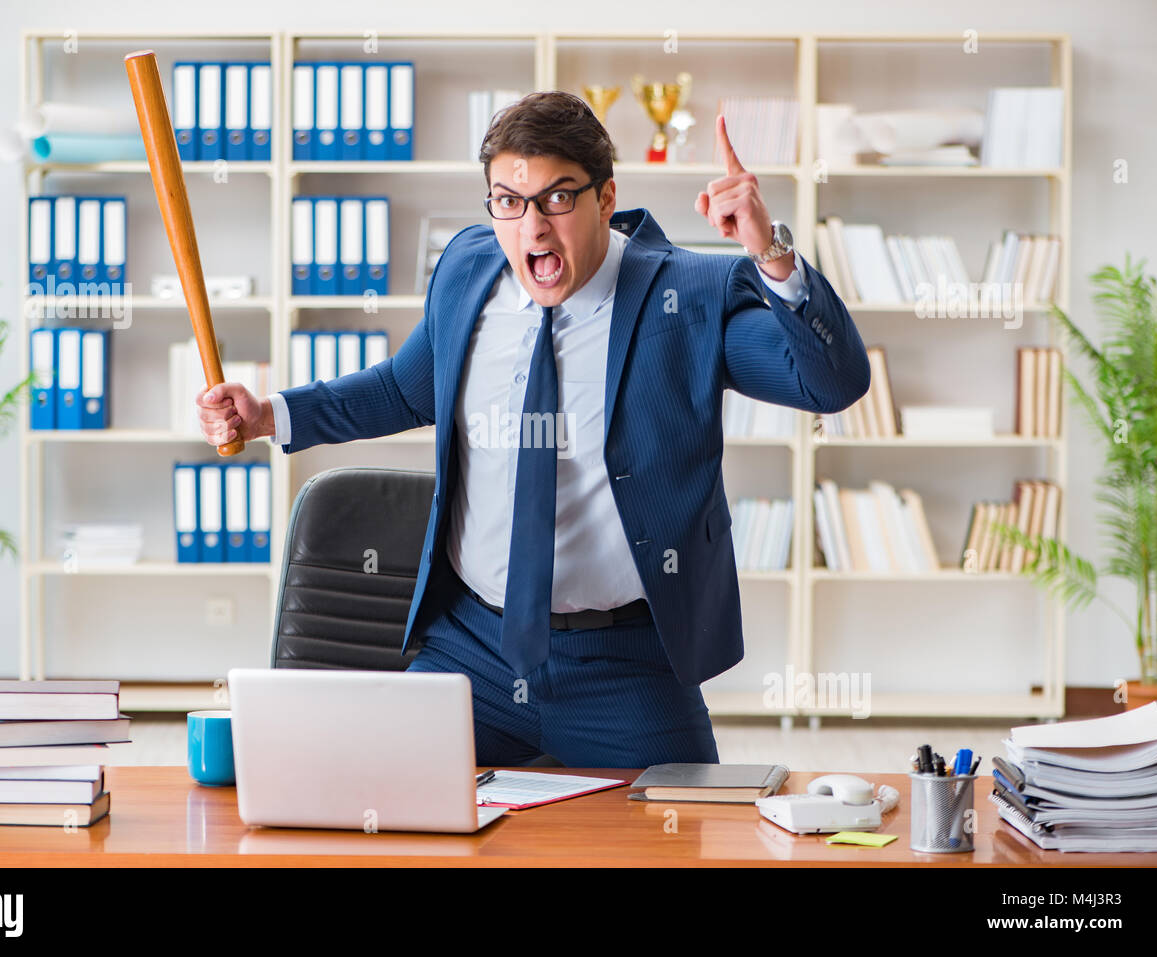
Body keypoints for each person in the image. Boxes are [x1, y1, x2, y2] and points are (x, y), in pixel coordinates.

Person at [196, 91, 870, 768]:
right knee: (380, 804)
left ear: (606, 199)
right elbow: (406, 388)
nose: (532, 228)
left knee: (679, 836)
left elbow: (831, 382)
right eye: (508, 201)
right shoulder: (467, 267)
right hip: (474, 653)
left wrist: (771, 253)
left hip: (625, 669)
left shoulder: (690, 294)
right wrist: (268, 415)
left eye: (556, 198)